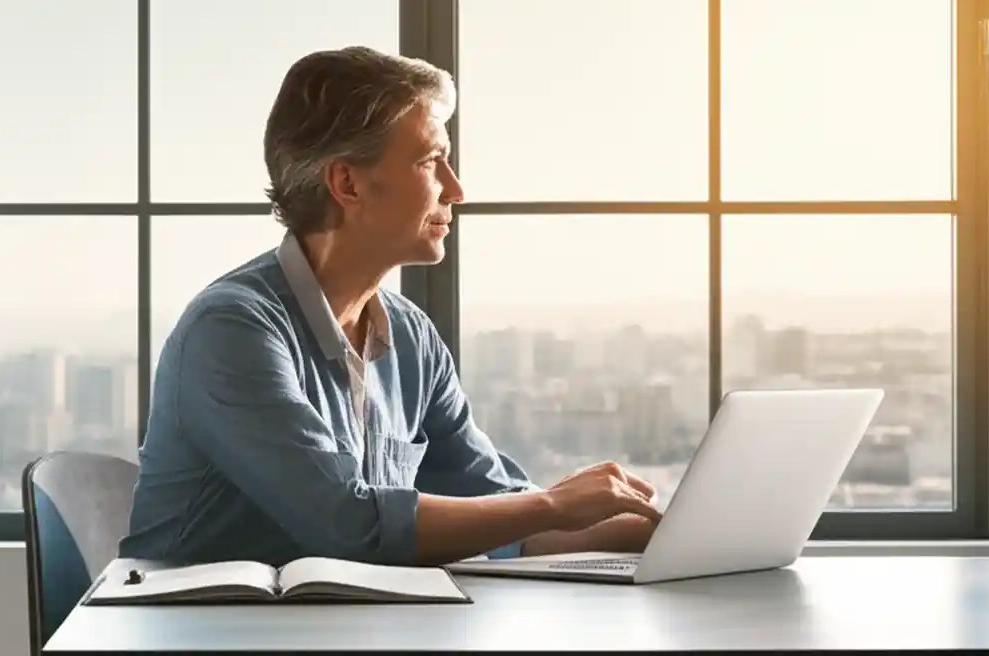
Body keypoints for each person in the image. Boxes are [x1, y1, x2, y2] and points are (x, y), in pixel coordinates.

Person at [119, 46, 662, 567]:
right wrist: (553, 504)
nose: (456, 189)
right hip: (196, 632)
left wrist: (659, 528)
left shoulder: (412, 338)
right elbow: (350, 525)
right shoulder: (232, 329)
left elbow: (502, 517)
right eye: (432, 162)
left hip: (341, 632)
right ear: (347, 182)